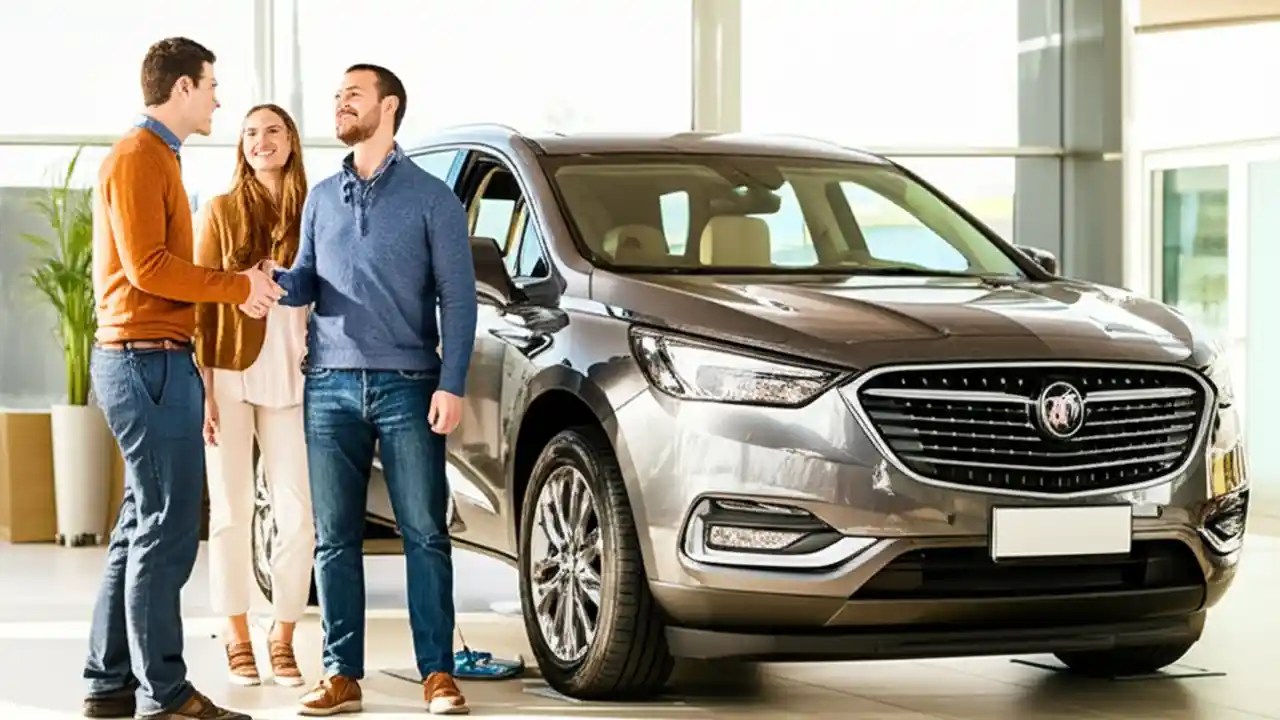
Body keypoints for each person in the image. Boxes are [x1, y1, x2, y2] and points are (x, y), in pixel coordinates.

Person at [80, 37, 283, 720]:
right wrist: (236, 287)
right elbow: (149, 268)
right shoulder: (139, 158)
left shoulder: (154, 157)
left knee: (141, 523)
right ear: (183, 88)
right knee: (167, 529)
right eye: (212, 85)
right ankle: (166, 693)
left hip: (154, 357)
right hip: (144, 360)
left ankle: (108, 683)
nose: (219, 98)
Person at [270, 63, 478, 716]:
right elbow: (307, 279)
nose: (338, 105)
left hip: (410, 385)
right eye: (335, 97)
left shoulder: (432, 199)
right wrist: (270, 282)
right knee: (335, 538)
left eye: (351, 96)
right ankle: (341, 673)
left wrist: (453, 383)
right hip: (328, 385)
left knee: (424, 532)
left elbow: (460, 299)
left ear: (388, 108)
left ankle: (438, 673)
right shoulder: (321, 197)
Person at [193, 103, 314, 689]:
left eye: (272, 131)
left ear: (291, 140)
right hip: (229, 374)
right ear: (239, 146)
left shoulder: (315, 210)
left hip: (296, 379)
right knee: (232, 512)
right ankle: (237, 632)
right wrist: (206, 391)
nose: (260, 141)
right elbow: (199, 303)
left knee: (297, 516)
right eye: (249, 133)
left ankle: (283, 633)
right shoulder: (219, 212)